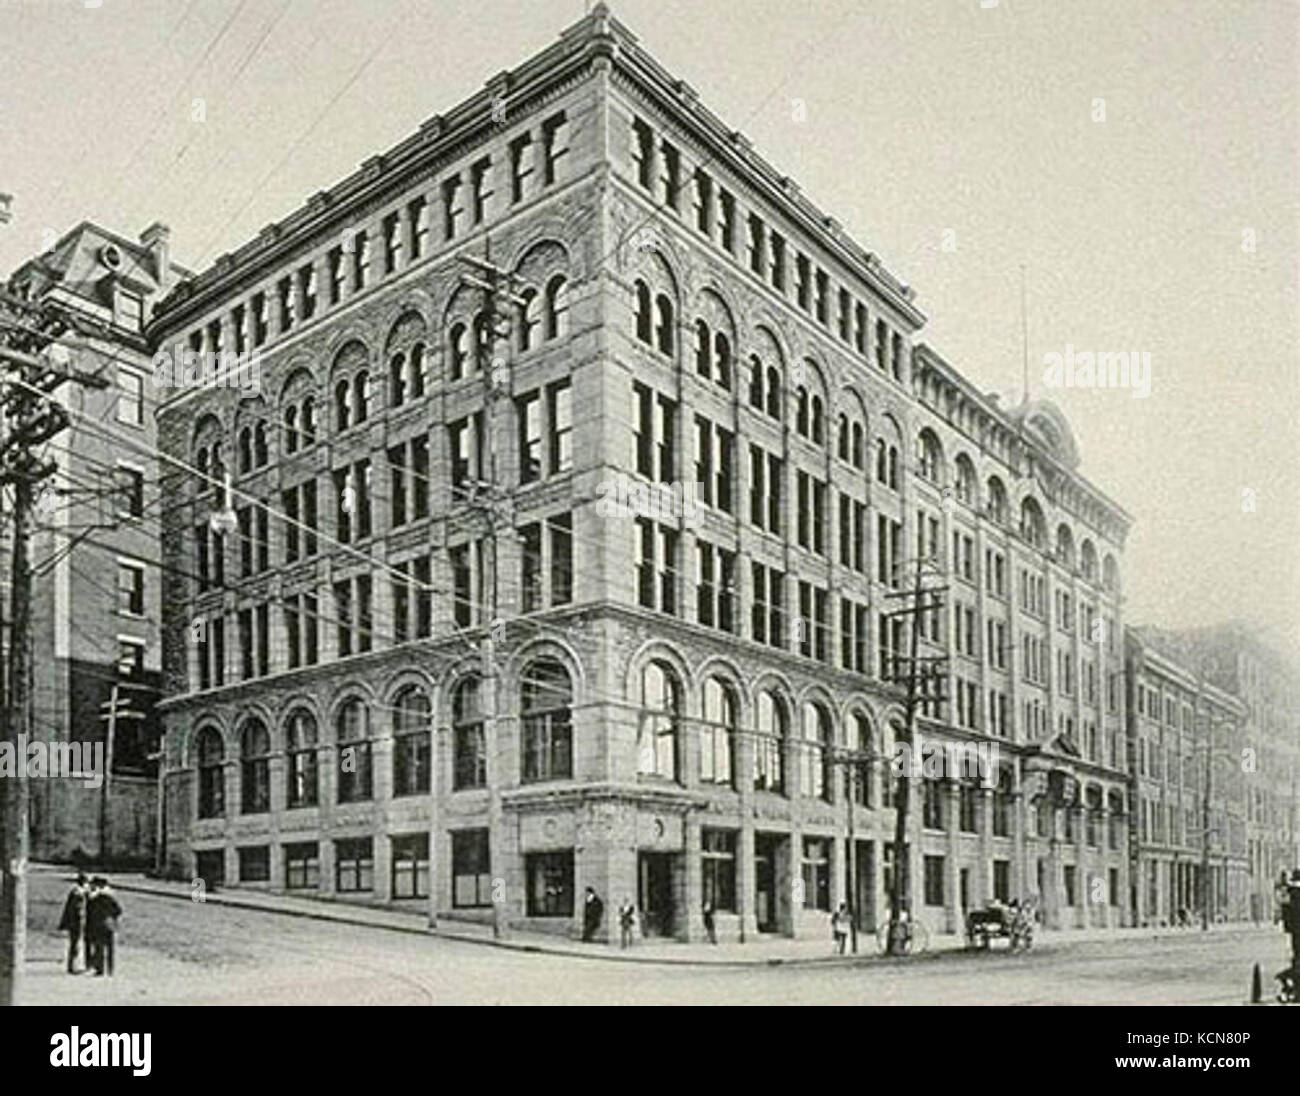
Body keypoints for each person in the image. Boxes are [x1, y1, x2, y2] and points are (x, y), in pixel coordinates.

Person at [85, 877, 122, 977]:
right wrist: (112, 918)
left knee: (99, 947)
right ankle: (110, 969)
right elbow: (118, 910)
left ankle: (100, 969)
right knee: (110, 948)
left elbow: (91, 913)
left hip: (98, 925)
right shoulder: (111, 897)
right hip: (109, 925)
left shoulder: (95, 898)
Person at [57, 873, 88, 974]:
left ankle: (72, 965)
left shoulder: (75, 892)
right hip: (76, 922)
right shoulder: (78, 893)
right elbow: (78, 910)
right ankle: (73, 967)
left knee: (74, 944)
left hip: (73, 922)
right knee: (75, 944)